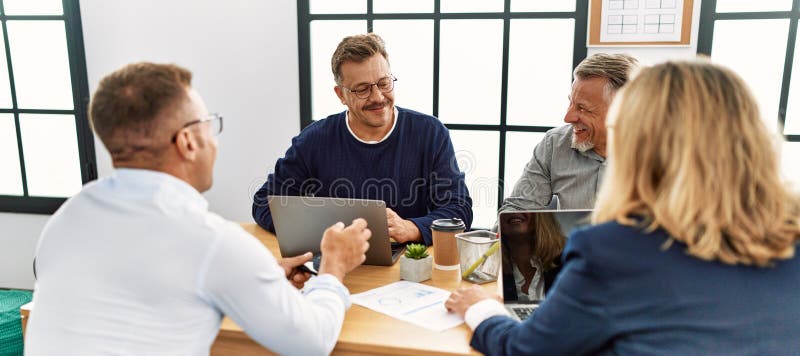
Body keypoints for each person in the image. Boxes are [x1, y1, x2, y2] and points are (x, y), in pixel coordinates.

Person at [446, 60, 800, 354]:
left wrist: (481, 309)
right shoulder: (790, 235)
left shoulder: (611, 250)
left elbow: (527, 349)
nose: (569, 117)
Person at [25, 62, 371, 355]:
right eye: (209, 123)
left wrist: (255, 275)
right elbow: (312, 342)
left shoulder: (66, 219)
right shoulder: (211, 241)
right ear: (187, 141)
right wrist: (334, 267)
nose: (214, 140)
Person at [252, 33, 472, 245]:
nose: (378, 97)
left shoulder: (430, 133)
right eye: (362, 89)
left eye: (384, 83)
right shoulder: (314, 140)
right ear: (341, 95)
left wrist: (410, 228)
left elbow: (458, 209)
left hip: (409, 262)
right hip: (336, 260)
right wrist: (320, 234)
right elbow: (265, 202)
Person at [500, 53, 639, 211]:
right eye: (571, 103)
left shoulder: (659, 151)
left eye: (582, 108)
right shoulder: (555, 144)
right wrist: (513, 222)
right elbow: (517, 209)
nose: (568, 118)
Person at [499, 212, 564, 301]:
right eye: (507, 206)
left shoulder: (569, 258)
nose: (514, 211)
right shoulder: (490, 267)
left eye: (523, 205)